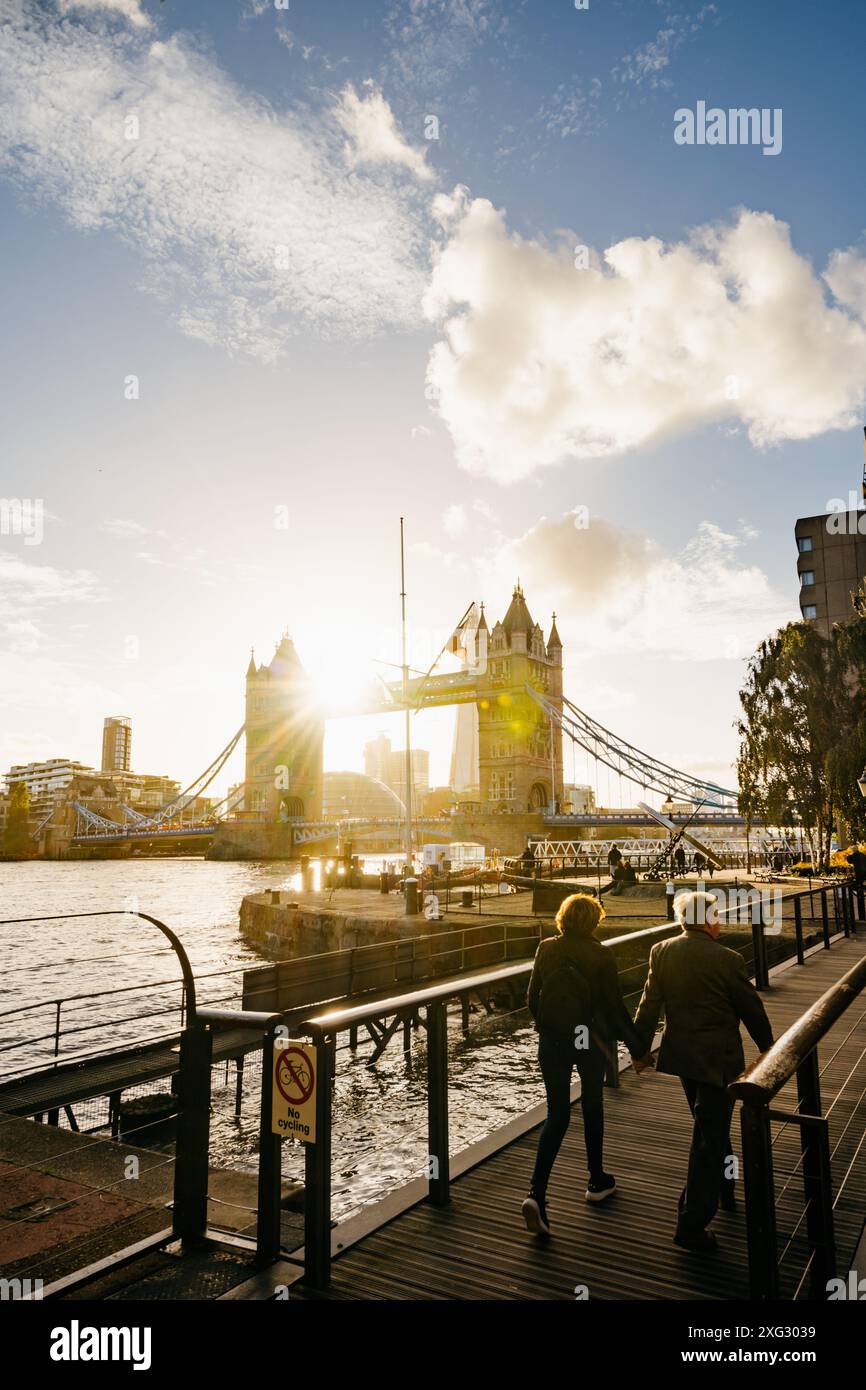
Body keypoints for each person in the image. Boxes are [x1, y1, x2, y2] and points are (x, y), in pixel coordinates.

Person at [631, 890, 773, 1254]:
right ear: (707, 919)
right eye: (718, 915)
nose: (721, 921)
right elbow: (751, 1009)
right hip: (719, 1061)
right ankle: (691, 1223)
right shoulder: (728, 959)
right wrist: (768, 1049)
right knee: (710, 1136)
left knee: (711, 1126)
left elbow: (648, 1006)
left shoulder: (661, 951)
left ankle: (725, 1189)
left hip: (682, 1059)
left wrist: (639, 1051)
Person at [522, 893, 650, 1237]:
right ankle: (596, 1180)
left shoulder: (546, 948)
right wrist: (639, 1048)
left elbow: (532, 999)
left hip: (553, 1042)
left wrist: (552, 1030)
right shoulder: (601, 954)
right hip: (590, 1043)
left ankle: (537, 1193)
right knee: (592, 1106)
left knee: (557, 1115)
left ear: (563, 918)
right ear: (594, 921)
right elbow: (614, 1008)